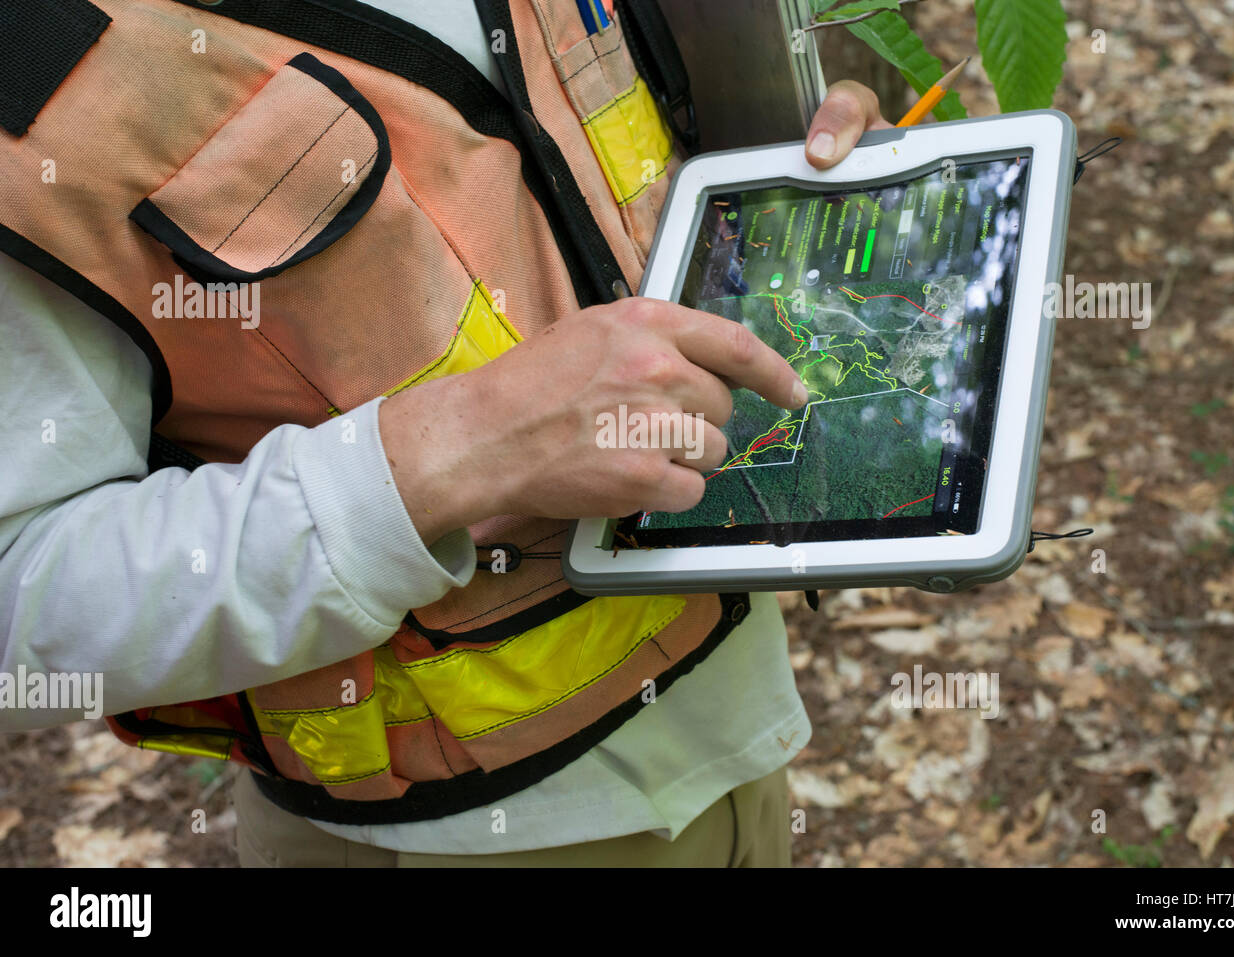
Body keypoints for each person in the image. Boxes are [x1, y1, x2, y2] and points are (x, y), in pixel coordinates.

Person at [0, 0, 892, 866]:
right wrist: (457, 445)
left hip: (741, 720)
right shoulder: (42, 74)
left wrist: (788, 194)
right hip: (464, 830)